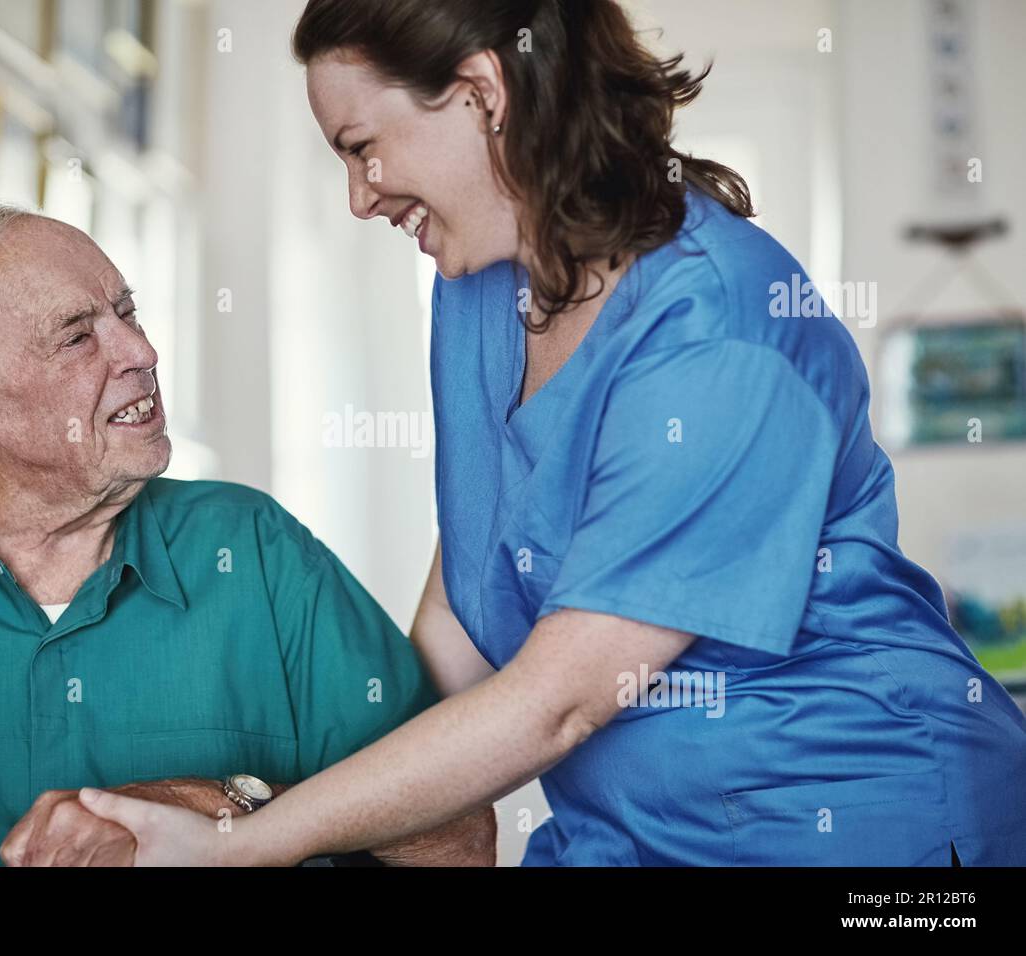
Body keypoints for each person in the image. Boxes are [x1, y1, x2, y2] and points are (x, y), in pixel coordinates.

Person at [78, 0, 1026, 866]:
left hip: (864, 822)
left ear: (485, 92)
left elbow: (559, 700)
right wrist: (261, 798)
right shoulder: (480, 287)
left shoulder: (721, 327)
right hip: (626, 834)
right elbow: (456, 622)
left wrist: (250, 844)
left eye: (364, 147)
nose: (360, 197)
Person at [0, 204, 495, 866]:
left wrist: (222, 803)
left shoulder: (256, 552)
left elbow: (460, 836)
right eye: (77, 337)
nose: (142, 354)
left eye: (126, 313)